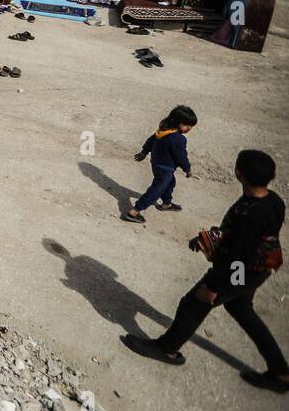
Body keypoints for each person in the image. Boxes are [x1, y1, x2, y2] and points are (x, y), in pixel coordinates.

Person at [122, 149, 286, 393]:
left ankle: (166, 348)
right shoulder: (273, 201)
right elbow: (256, 239)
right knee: (240, 308)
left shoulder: (250, 213)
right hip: (259, 268)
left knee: (193, 304)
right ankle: (281, 372)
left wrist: (215, 287)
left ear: (238, 173)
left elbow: (238, 256)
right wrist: (212, 239)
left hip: (238, 272)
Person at [123, 105, 197, 222]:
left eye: (191, 126)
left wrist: (144, 152)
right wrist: (187, 169)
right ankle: (135, 211)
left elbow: (151, 140)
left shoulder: (163, 130)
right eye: (187, 125)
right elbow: (181, 157)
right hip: (166, 169)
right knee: (156, 190)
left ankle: (166, 204)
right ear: (178, 122)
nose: (189, 128)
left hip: (156, 164)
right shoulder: (178, 139)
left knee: (170, 183)